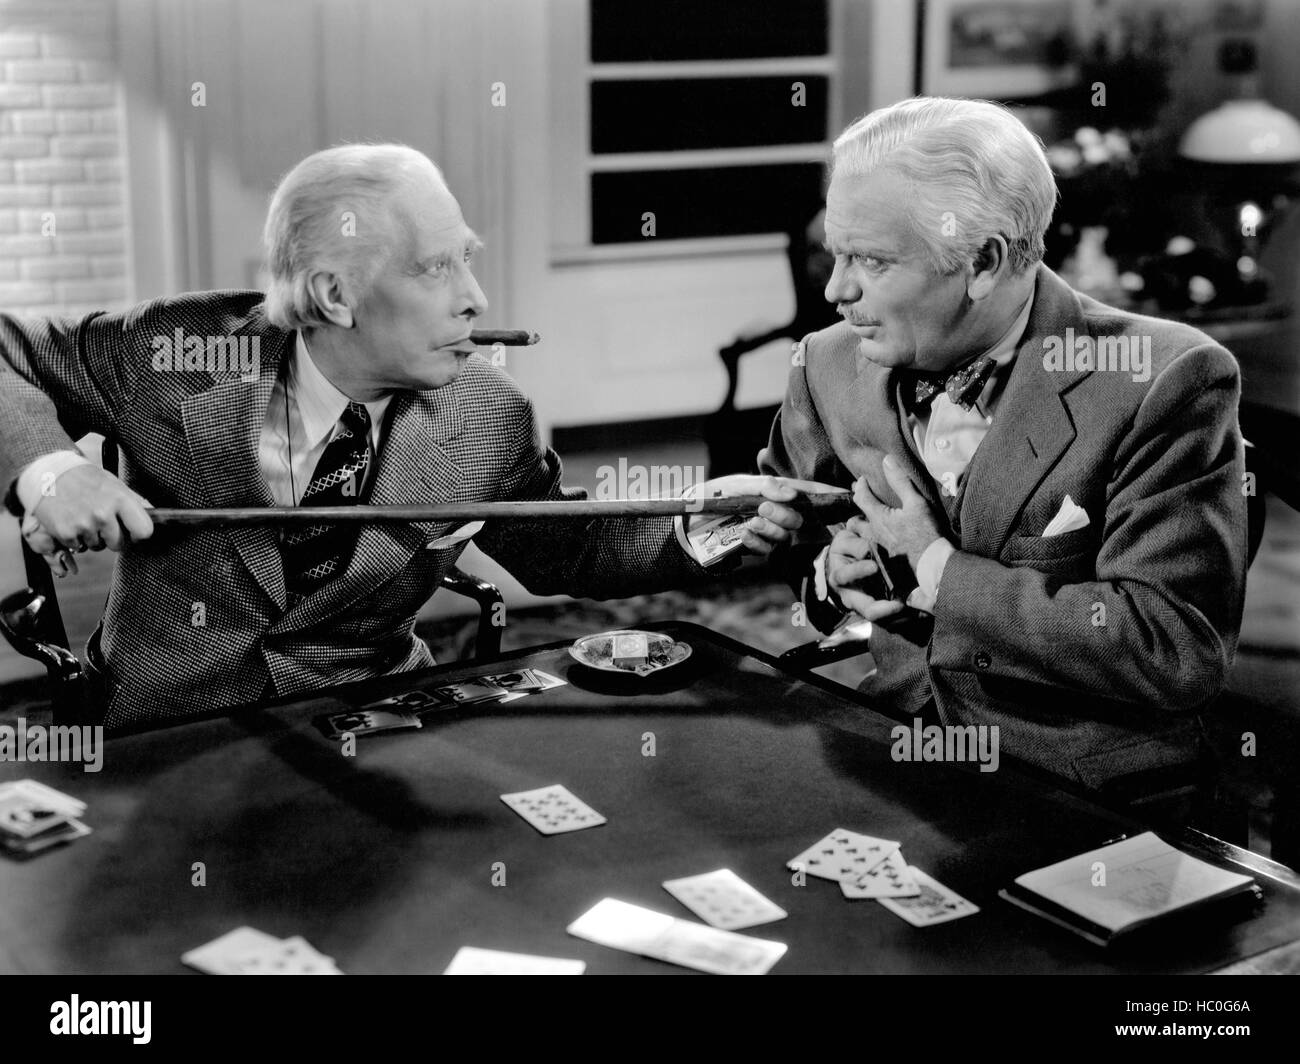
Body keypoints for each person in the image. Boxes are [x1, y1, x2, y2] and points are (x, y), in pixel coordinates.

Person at [0, 144, 802, 730]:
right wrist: (51, 471)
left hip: (373, 722)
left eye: (470, 262)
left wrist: (695, 525)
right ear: (335, 295)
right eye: (436, 270)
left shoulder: (487, 411)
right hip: (162, 725)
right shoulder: (172, 353)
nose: (476, 298)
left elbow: (569, 547)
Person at [760, 97, 1247, 811]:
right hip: (892, 749)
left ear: (983, 260)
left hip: (1085, 794)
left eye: (871, 259)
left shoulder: (1165, 379)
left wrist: (938, 568)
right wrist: (834, 577)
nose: (836, 291)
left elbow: (1173, 650)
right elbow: (795, 528)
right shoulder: (828, 365)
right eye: (836, 252)